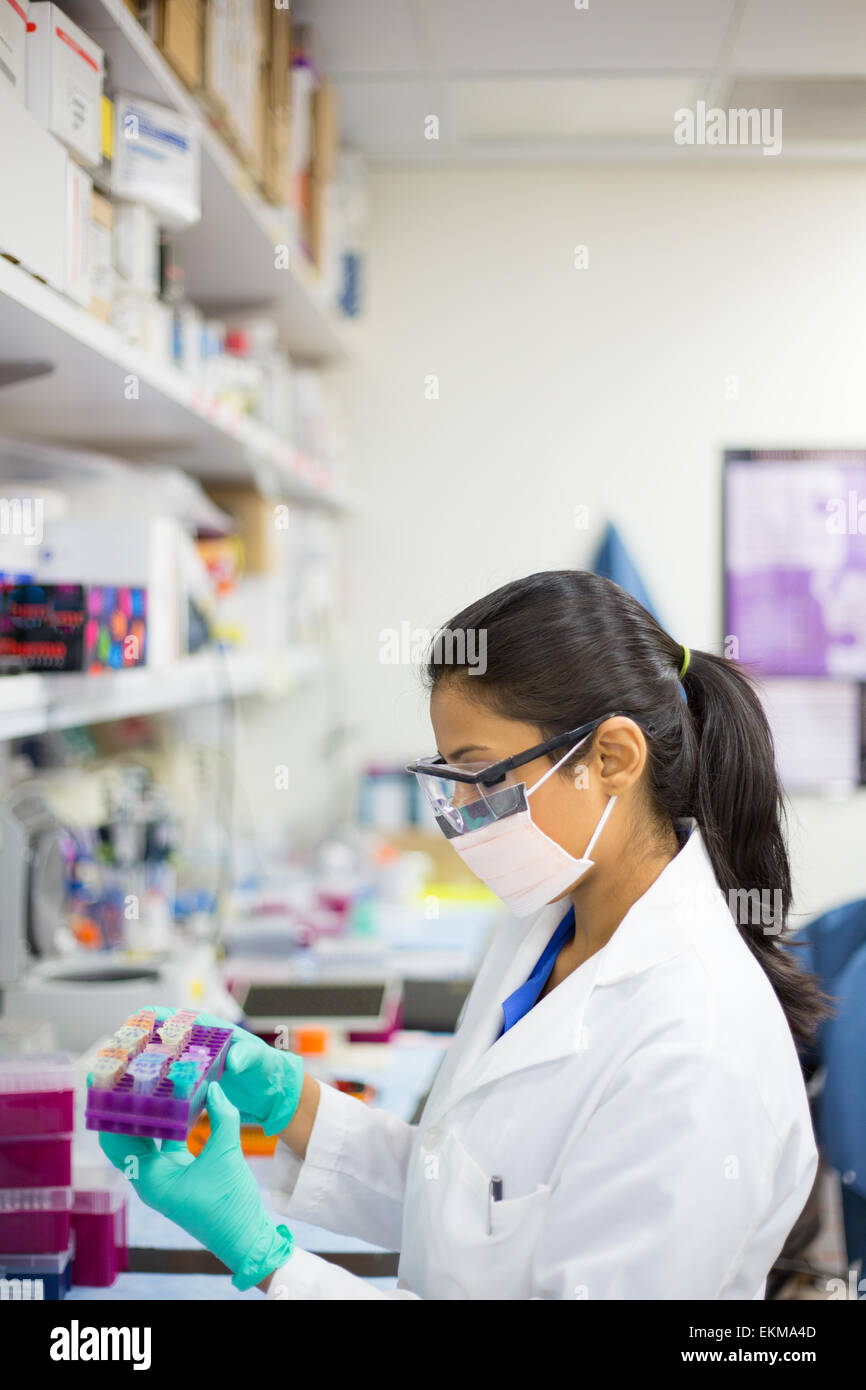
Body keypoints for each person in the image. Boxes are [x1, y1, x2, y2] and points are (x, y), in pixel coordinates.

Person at [98, 571, 827, 1299]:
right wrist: (291, 1105)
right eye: (449, 779)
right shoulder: (550, 925)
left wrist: (269, 1260)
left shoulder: (696, 1050)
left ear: (613, 758)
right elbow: (475, 1200)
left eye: (484, 776)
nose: (461, 817)